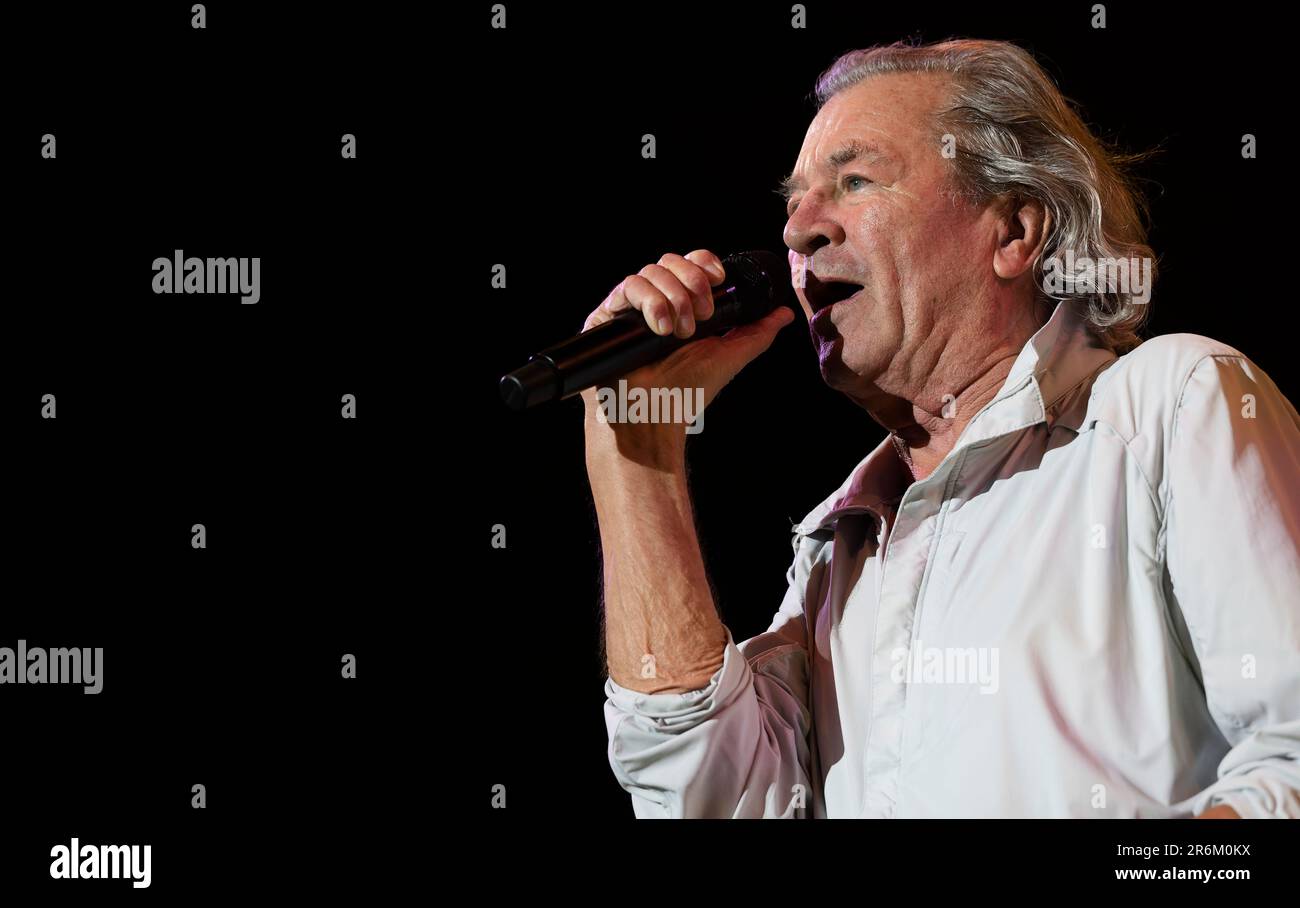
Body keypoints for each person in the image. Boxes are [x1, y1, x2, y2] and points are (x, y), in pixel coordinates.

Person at [583, 39, 1300, 818]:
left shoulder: (1170, 405)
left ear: (1016, 230)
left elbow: (1291, 765)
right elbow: (705, 804)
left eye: (853, 180)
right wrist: (635, 449)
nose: (797, 233)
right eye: (793, 203)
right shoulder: (836, 555)